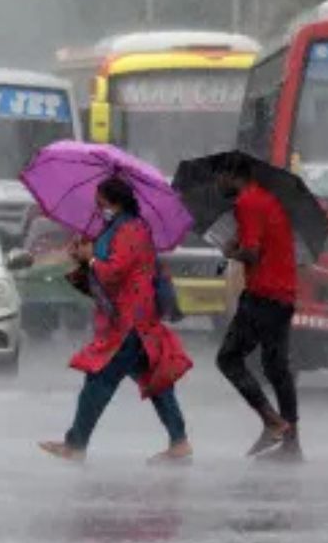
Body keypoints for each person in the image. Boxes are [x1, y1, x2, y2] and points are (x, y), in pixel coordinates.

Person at [39, 177, 194, 464]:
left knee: (99, 380)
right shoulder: (115, 228)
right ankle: (179, 441)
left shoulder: (131, 230)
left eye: (102, 203)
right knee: (156, 382)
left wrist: (91, 259)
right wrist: (83, 256)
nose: (99, 209)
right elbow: (102, 270)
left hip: (130, 323)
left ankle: (75, 444)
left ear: (117, 202)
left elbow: (113, 271)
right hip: (130, 320)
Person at [215, 153, 302, 462]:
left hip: (263, 295)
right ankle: (291, 445)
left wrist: (232, 252)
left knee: (228, 358)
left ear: (231, 174)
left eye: (219, 176)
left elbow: (252, 252)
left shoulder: (248, 203)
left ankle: (272, 422)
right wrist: (238, 245)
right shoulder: (266, 200)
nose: (217, 183)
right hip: (283, 294)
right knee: (277, 368)